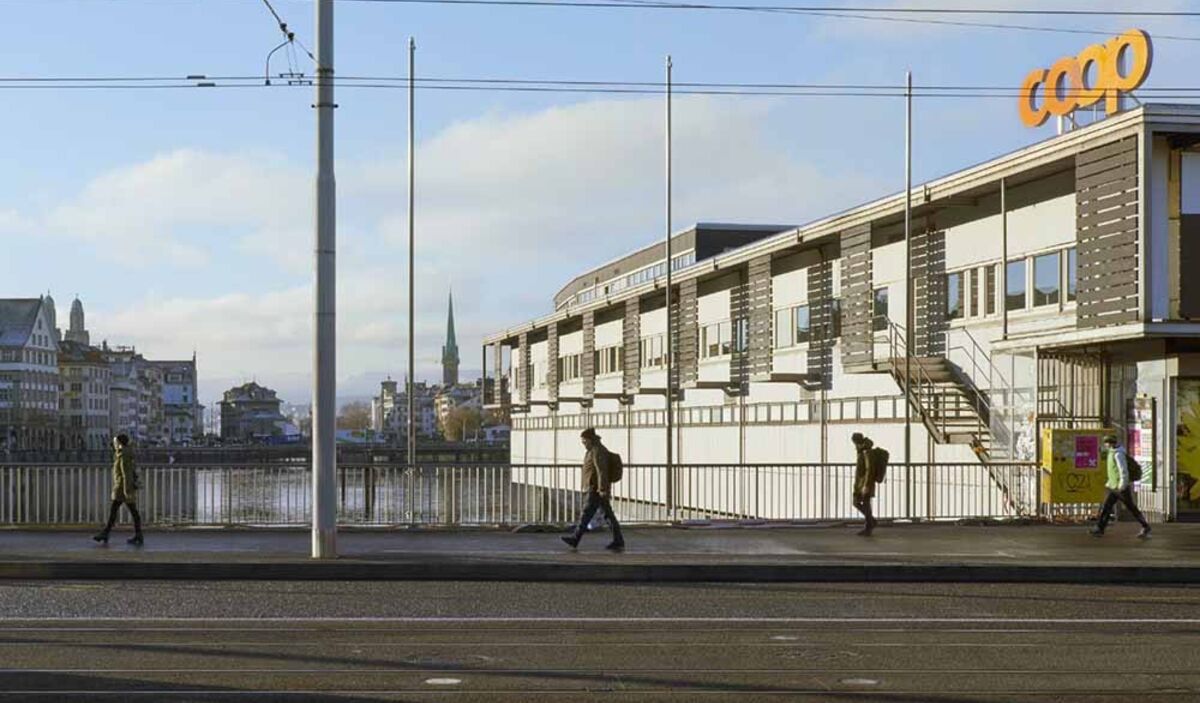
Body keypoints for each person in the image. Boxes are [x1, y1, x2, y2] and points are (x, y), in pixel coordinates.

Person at [562, 428, 625, 552]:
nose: (583, 443)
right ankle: (618, 540)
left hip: (595, 489)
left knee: (587, 514)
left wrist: (601, 489)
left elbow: (601, 471)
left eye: (584, 441)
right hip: (597, 488)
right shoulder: (594, 449)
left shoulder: (597, 451)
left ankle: (575, 539)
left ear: (590, 439)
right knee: (608, 515)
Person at [1091, 436, 1151, 539]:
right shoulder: (1111, 452)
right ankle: (1099, 528)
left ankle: (1145, 525)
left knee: (1131, 507)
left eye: (1106, 443)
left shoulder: (1118, 454)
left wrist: (1122, 486)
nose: (1105, 445)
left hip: (1120, 488)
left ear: (1110, 443)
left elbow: (1123, 471)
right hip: (1113, 486)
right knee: (1106, 506)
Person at [93, 434, 144, 546]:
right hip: (124, 487)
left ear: (120, 443)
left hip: (122, 487)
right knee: (130, 511)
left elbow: (126, 474)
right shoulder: (124, 453)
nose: (114, 444)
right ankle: (137, 535)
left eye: (115, 442)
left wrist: (127, 491)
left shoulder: (123, 455)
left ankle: (106, 533)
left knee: (117, 510)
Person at [851, 432, 879, 536]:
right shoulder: (862, 450)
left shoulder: (866, 451)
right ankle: (871, 522)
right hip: (860, 484)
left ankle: (869, 525)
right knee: (860, 503)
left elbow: (869, 469)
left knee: (864, 504)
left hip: (865, 484)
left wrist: (866, 485)